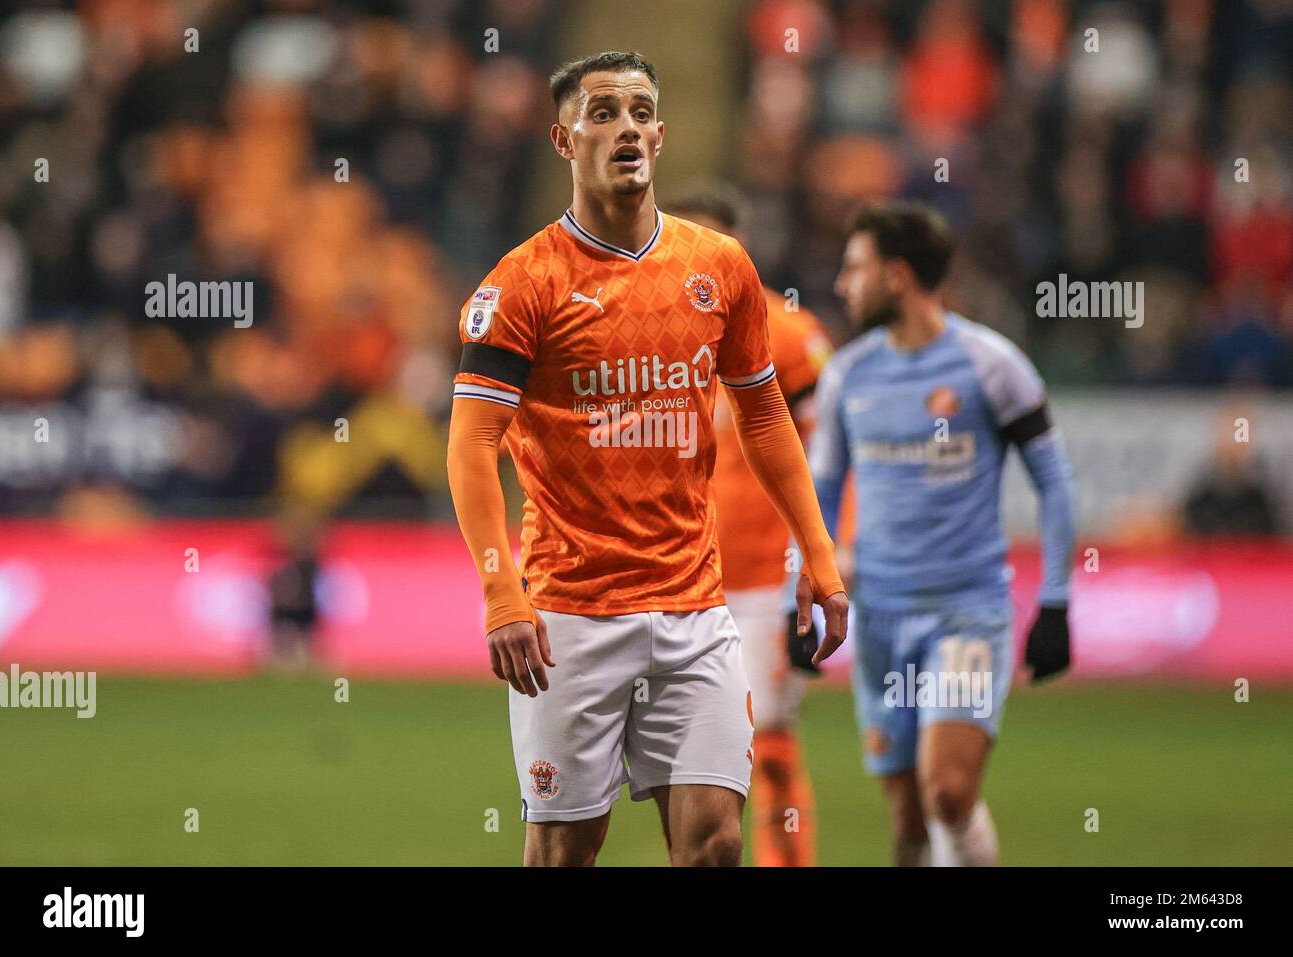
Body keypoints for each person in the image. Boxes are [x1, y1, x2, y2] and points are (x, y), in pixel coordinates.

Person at [445, 51, 848, 867]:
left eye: (638, 112)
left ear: (659, 135)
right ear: (564, 140)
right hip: (572, 617)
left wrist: (820, 553)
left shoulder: (719, 268)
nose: (624, 126)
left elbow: (767, 417)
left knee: (716, 845)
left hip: (696, 610)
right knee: (564, 854)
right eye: (602, 112)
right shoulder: (522, 285)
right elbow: (471, 445)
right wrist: (501, 593)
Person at [809, 201, 1076, 865]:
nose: (843, 285)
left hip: (965, 612)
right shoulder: (847, 375)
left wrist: (1056, 601)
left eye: (855, 268)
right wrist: (809, 585)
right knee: (906, 819)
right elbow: (820, 491)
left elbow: (1055, 483)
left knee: (949, 791)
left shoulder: (992, 366)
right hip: (879, 617)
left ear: (896, 276)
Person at [667, 180, 832, 867]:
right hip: (677, 578)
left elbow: (826, 461)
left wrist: (816, 566)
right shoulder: (648, 335)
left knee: (766, 741)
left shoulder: (789, 335)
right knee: (681, 754)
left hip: (766, 579)